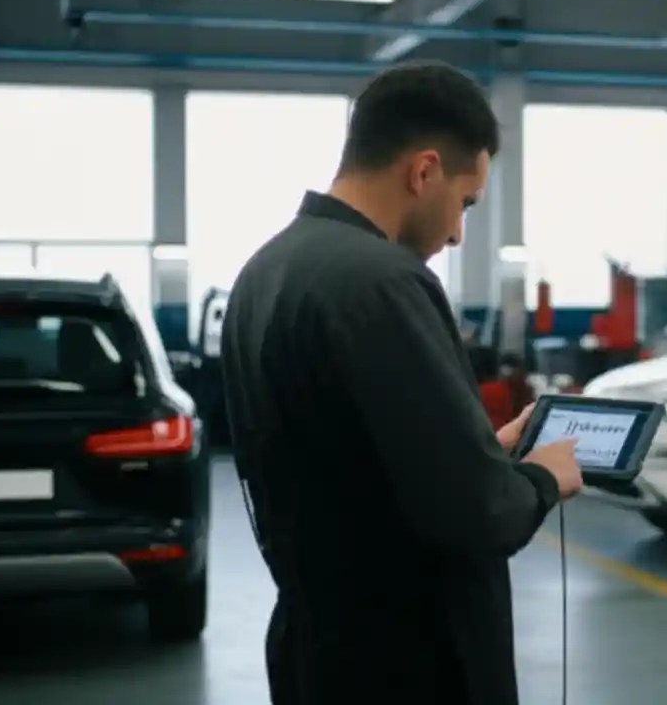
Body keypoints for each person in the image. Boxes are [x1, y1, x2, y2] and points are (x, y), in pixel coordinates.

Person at [220, 61, 584, 705]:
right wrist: (542, 478)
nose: (455, 232)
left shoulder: (266, 268)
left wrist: (481, 451)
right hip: (407, 662)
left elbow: (350, 459)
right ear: (424, 171)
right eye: (464, 204)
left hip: (318, 648)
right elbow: (477, 515)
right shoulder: (383, 279)